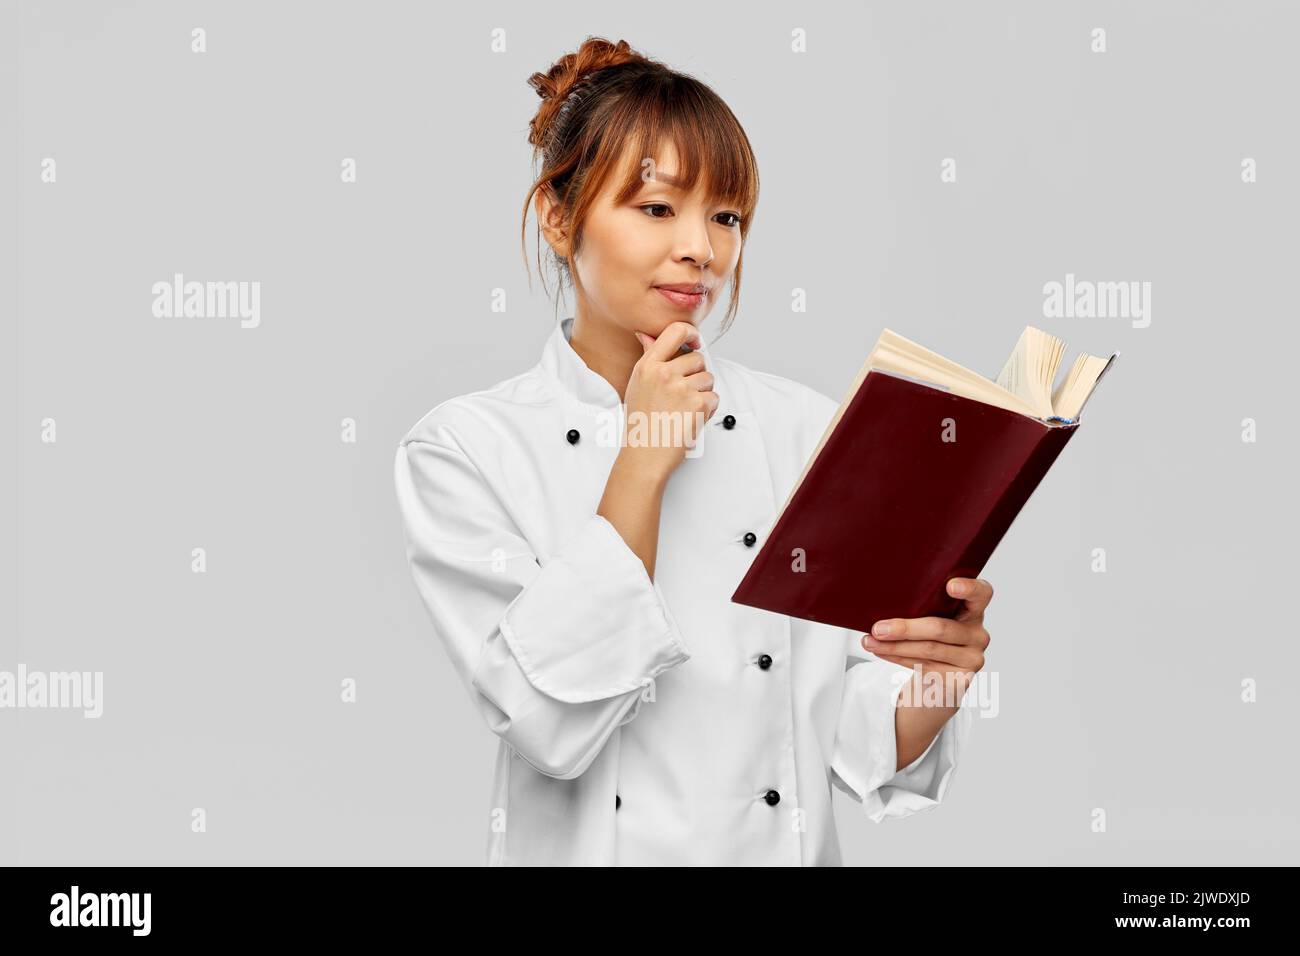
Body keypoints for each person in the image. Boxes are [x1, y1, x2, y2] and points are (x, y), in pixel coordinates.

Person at [393, 36, 992, 866]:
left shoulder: (805, 429)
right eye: (656, 208)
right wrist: (646, 454)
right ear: (559, 218)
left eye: (725, 215)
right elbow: (542, 716)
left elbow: (852, 739)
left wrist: (939, 676)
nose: (701, 249)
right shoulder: (465, 448)